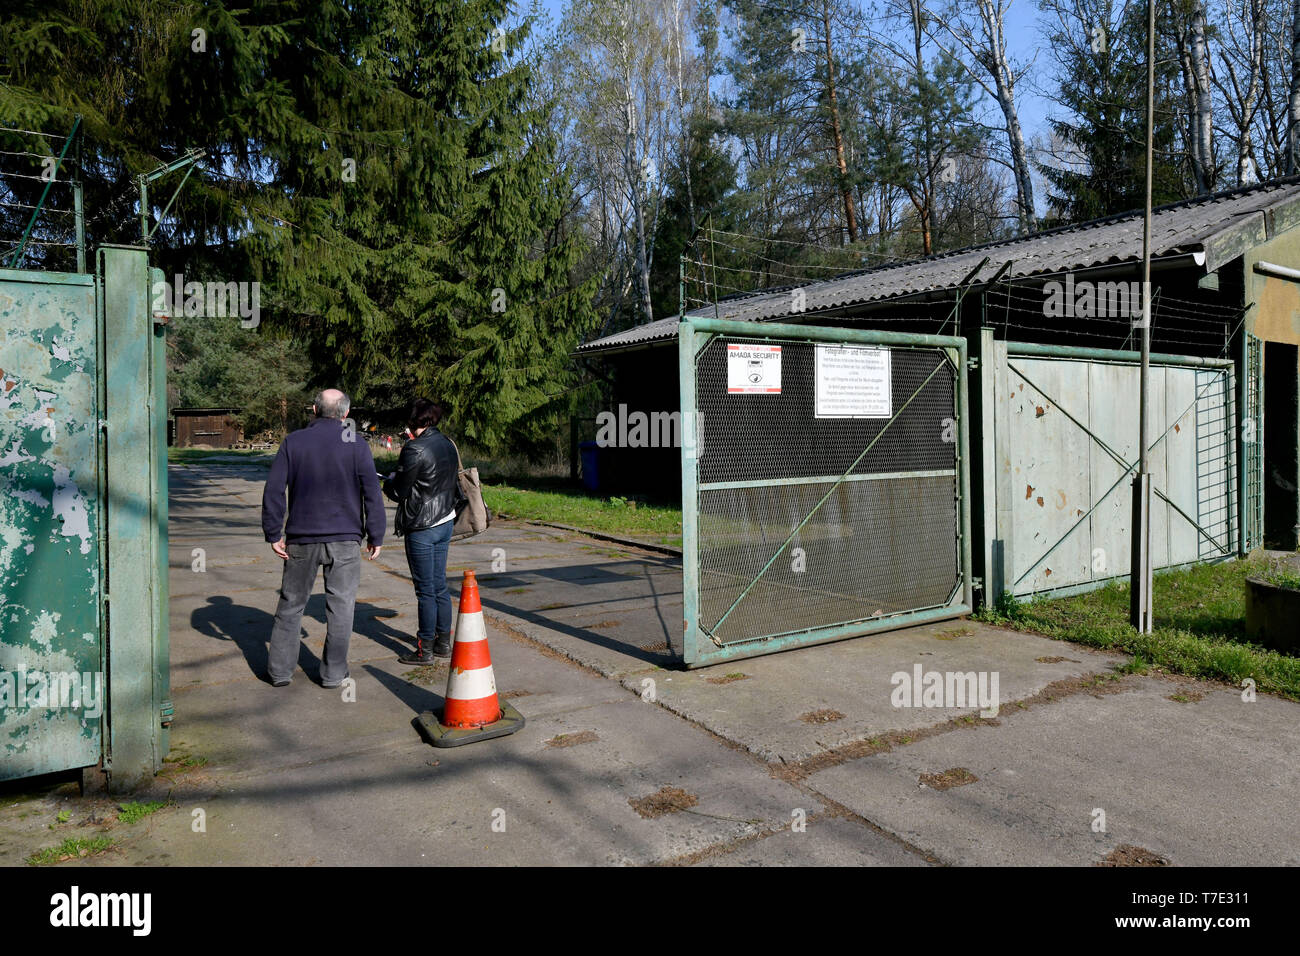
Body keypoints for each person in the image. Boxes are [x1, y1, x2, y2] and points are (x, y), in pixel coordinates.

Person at [261, 389, 385, 687]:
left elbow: (274, 488)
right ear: (345, 414)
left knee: (291, 605)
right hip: (345, 539)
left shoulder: (294, 441)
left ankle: (279, 672)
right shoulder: (356, 443)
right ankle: (332, 673)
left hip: (302, 538)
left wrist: (273, 531)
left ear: (314, 411)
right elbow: (372, 492)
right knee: (341, 608)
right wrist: (376, 534)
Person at [384, 397, 464, 664]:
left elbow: (400, 492)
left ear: (412, 421)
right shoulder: (448, 443)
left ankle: (424, 650)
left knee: (425, 590)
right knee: (440, 585)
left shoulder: (413, 449)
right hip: (446, 521)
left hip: (422, 525)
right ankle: (443, 643)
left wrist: (389, 483)